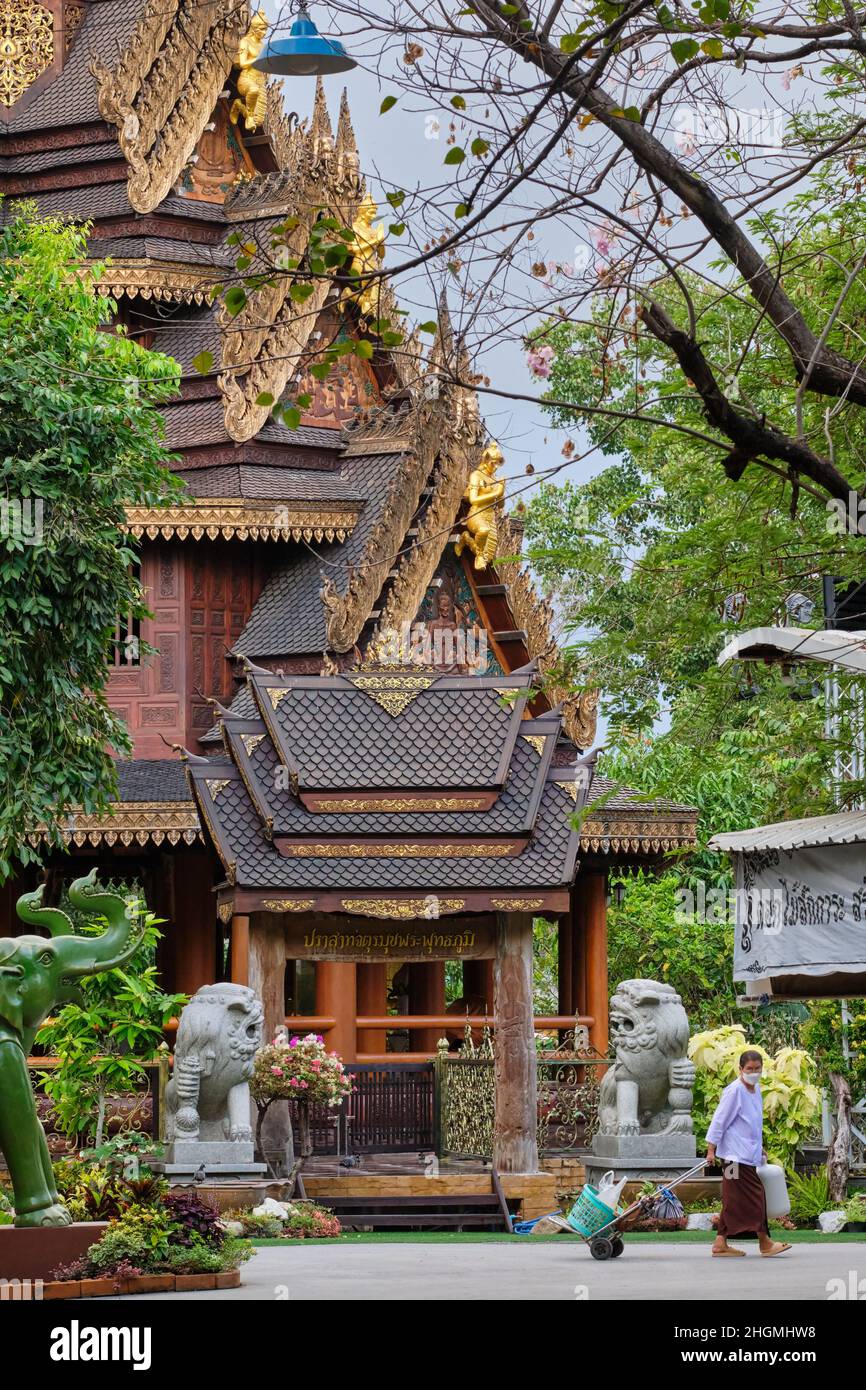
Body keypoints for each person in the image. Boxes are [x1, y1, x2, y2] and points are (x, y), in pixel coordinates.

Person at [705, 1049, 791, 1258]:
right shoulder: (734, 1091)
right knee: (757, 1196)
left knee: (732, 1199)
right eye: (749, 1069)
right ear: (740, 1069)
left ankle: (720, 1243)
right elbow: (720, 1120)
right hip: (733, 1159)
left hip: (745, 1155)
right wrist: (711, 1149)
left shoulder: (756, 1088)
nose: (753, 1072)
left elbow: (751, 1123)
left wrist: (758, 1146)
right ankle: (765, 1242)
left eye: (757, 1069)